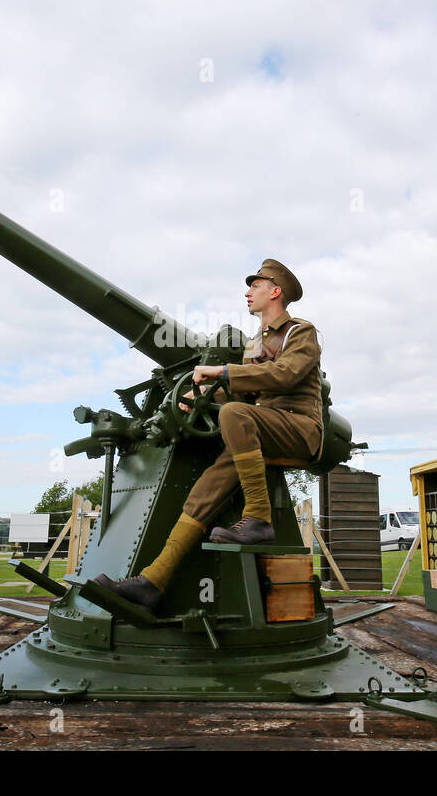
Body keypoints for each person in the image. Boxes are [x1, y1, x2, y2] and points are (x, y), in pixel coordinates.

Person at [91, 259, 323, 610]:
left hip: (301, 429)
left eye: (256, 286)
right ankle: (153, 580)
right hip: (260, 428)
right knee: (205, 490)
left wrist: (222, 371)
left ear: (275, 291)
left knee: (234, 415)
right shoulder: (254, 345)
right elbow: (239, 394)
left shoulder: (300, 332)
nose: (248, 292)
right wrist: (193, 397)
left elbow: (285, 375)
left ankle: (259, 518)